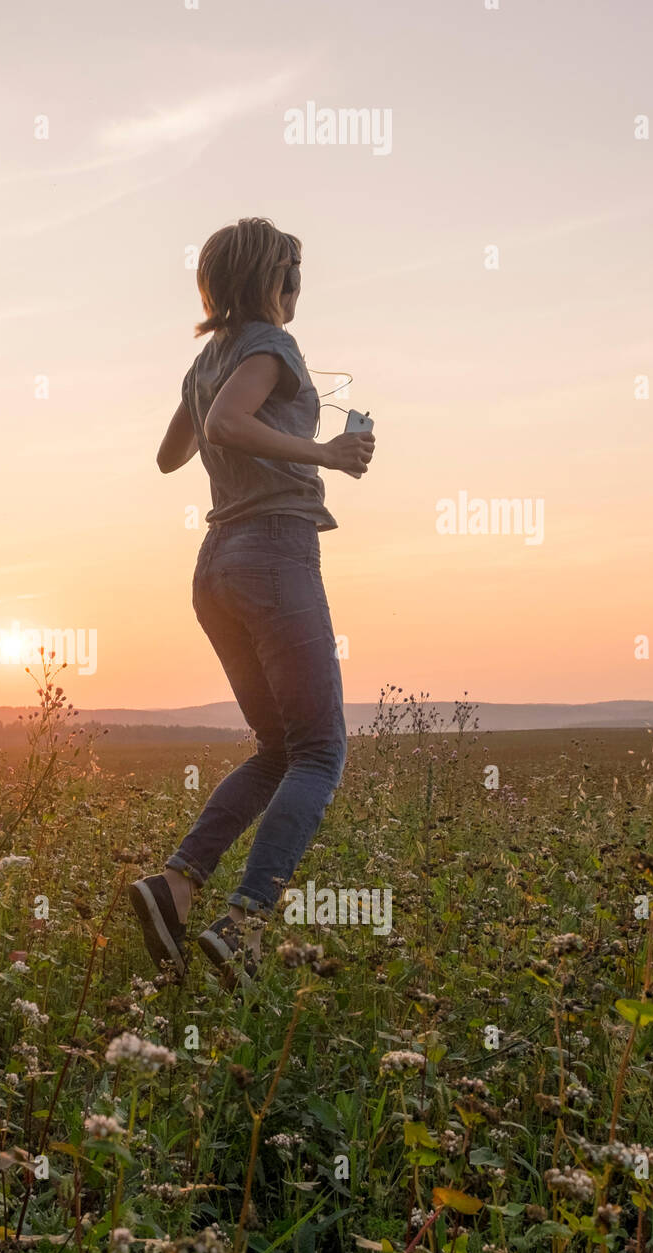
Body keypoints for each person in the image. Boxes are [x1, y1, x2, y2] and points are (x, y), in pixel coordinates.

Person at [129, 216, 375, 981]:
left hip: (218, 568)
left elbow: (174, 452)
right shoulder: (272, 345)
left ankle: (174, 889)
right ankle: (242, 926)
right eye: (292, 274)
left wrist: (223, 408)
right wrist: (325, 453)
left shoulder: (209, 360)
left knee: (278, 749)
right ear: (270, 280)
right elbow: (227, 425)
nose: (299, 288)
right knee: (321, 751)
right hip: (274, 554)